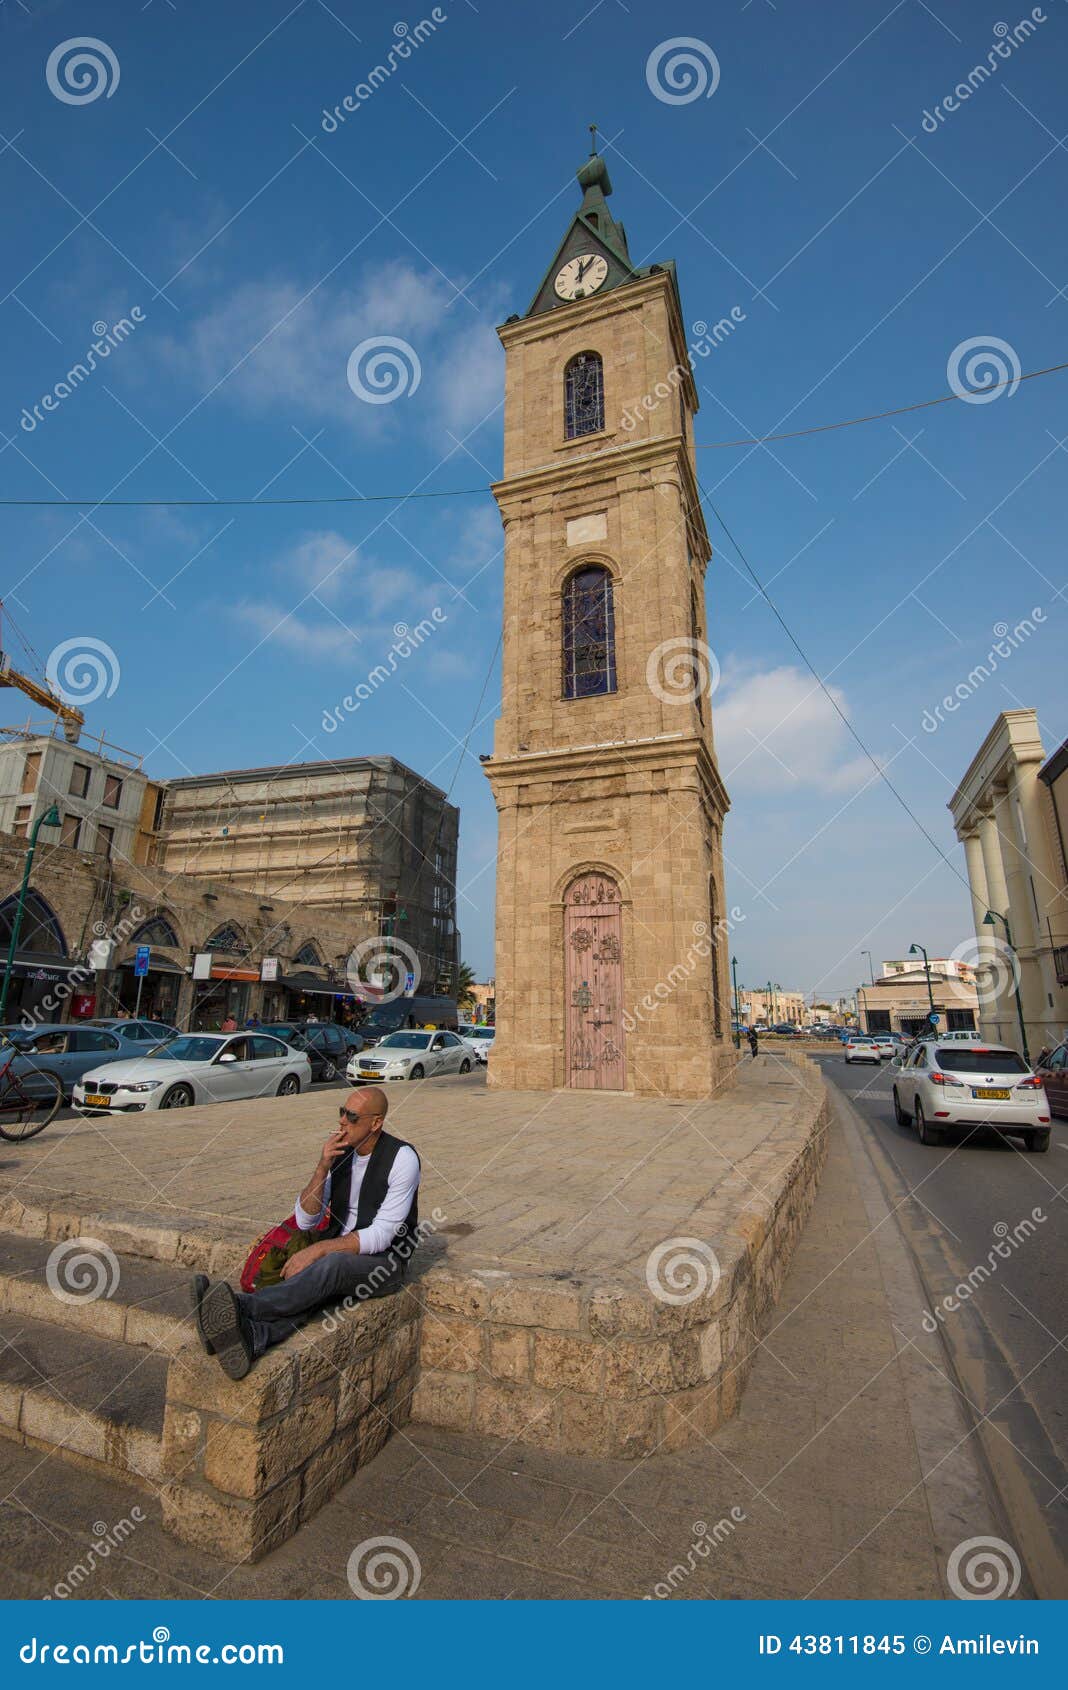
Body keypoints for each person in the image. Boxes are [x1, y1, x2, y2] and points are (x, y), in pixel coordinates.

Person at [190, 1087, 420, 1379]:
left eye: (352, 1117)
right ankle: (253, 1336)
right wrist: (322, 1167)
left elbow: (382, 1236)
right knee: (314, 1286)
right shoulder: (340, 1154)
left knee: (330, 1264)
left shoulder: (402, 1158)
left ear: (375, 1123)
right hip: (338, 1252)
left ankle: (240, 1307)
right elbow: (306, 1220)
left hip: (386, 1263)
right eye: (342, 1113)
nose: (342, 1123)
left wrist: (318, 1250)